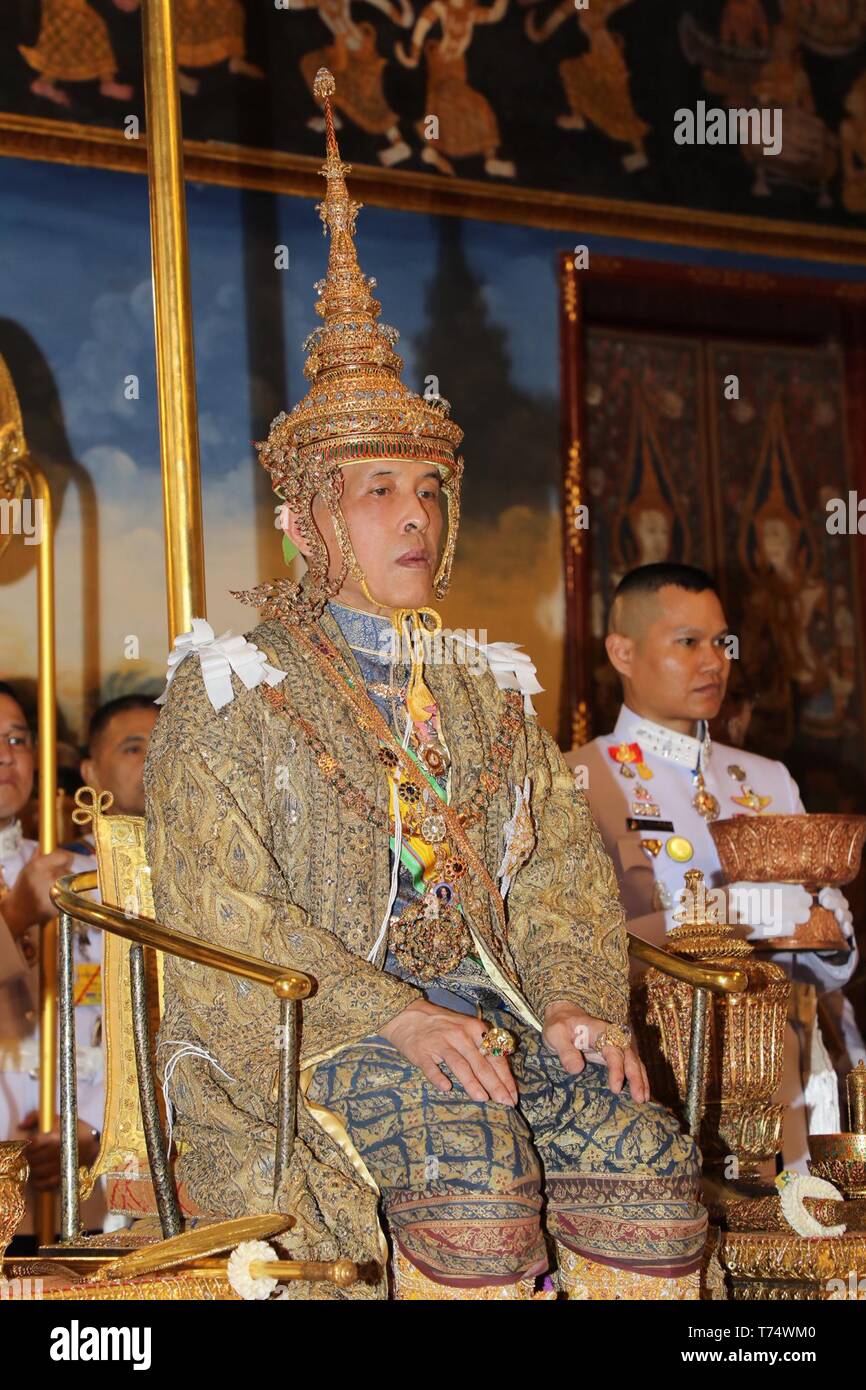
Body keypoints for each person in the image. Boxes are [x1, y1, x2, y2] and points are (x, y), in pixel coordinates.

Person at [143, 68, 706, 1302]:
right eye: (378, 490)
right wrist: (392, 1014)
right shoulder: (229, 687)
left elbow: (557, 866)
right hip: (315, 1026)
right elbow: (222, 909)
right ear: (302, 517)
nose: (417, 513)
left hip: (491, 1000)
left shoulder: (482, 685)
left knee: (652, 1177)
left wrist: (568, 1002)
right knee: (471, 1180)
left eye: (430, 487)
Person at [567, 563, 862, 1171]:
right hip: (656, 1060)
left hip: (781, 1065)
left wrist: (828, 932)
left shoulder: (766, 777)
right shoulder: (581, 778)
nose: (714, 661)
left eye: (721, 642)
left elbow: (827, 969)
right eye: (688, 643)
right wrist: (732, 912)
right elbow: (577, 948)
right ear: (622, 651)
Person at [0, 680, 102, 1226]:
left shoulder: (75, 879)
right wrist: (15, 919)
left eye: (17, 739)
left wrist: (87, 1124)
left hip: (70, 1180)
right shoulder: (34, 892)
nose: (3, 754)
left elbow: (127, 1015)